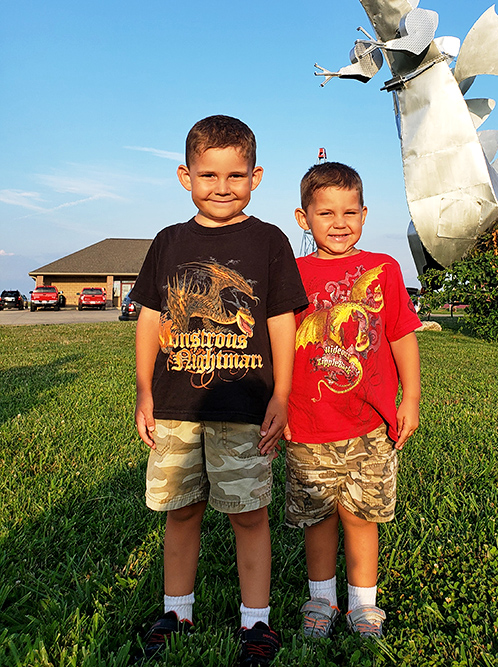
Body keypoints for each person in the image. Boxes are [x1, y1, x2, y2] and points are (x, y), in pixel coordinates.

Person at [131, 115, 307, 666]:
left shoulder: (270, 240)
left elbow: (282, 321)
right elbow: (149, 318)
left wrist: (281, 393)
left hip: (244, 408)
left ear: (256, 176)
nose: (222, 186)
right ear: (186, 176)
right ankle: (175, 612)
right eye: (209, 175)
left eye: (236, 174)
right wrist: (143, 390)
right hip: (176, 406)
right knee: (181, 511)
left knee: (247, 514)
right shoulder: (168, 242)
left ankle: (256, 626)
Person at [285, 162, 421, 640]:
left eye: (349, 212)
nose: (338, 223)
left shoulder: (384, 269)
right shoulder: (292, 274)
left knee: (362, 518)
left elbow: (403, 334)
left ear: (364, 214)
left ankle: (364, 607)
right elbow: (277, 342)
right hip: (307, 423)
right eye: (325, 213)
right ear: (304, 219)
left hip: (370, 424)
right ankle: (321, 601)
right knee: (318, 519)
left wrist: (413, 398)